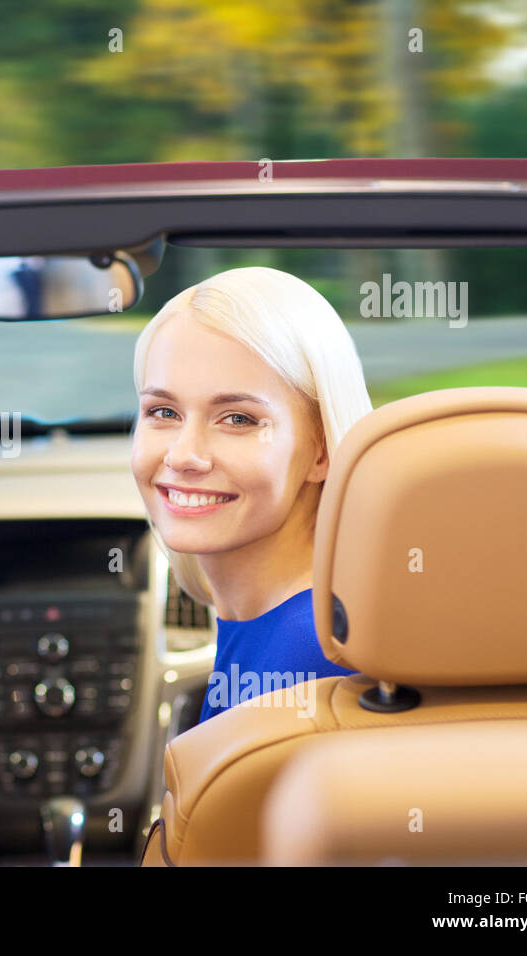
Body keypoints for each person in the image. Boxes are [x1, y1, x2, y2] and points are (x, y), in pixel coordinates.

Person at [130, 266, 374, 723]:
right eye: (162, 411)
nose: (185, 455)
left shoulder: (317, 658)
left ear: (321, 450)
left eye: (238, 419)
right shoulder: (297, 625)